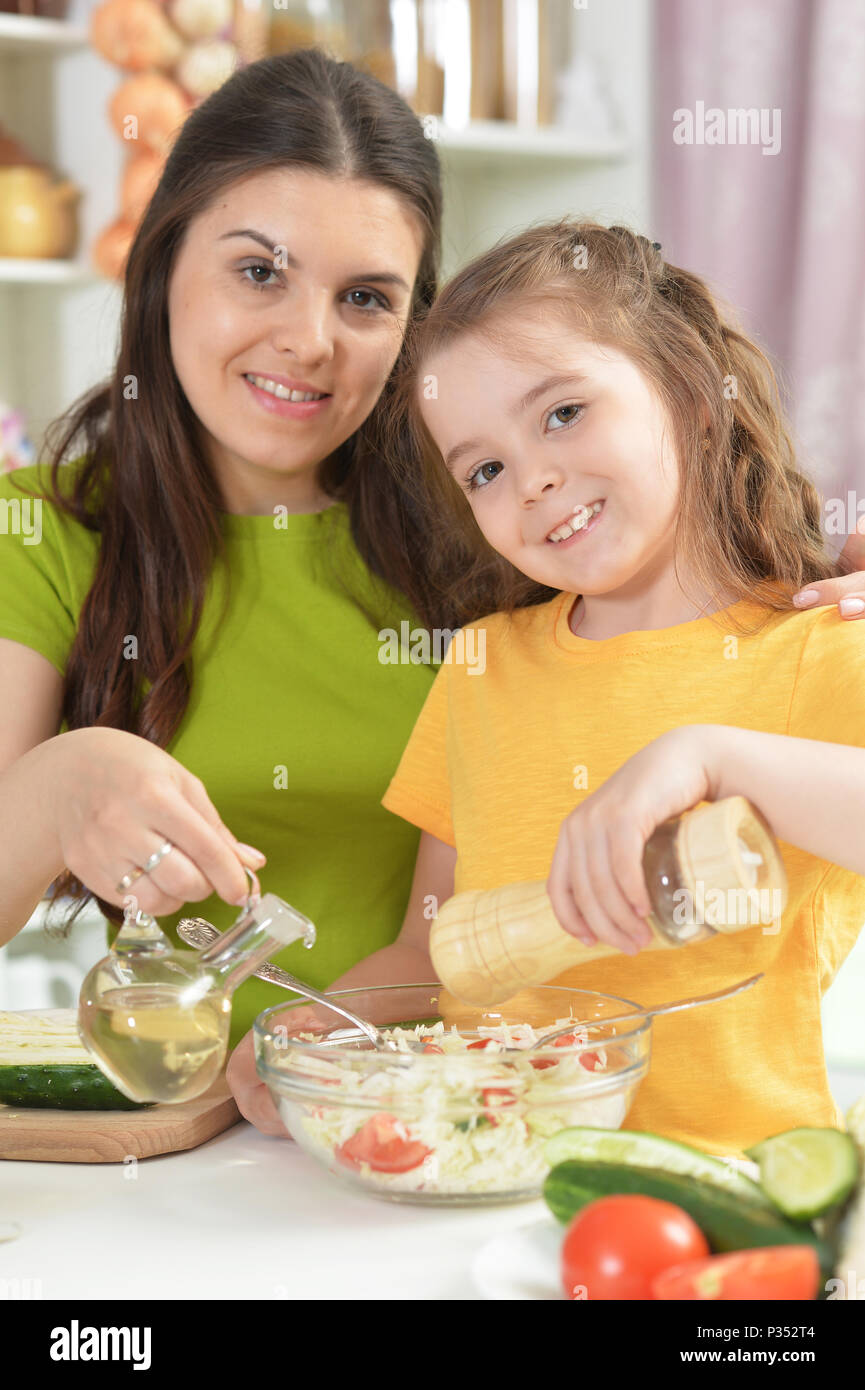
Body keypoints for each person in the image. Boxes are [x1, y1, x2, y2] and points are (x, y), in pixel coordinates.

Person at [0, 52, 862, 1135]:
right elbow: (432, 946)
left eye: (365, 297)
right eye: (258, 270)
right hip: (343, 1140)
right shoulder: (47, 530)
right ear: (162, 262)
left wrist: (751, 685)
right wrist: (59, 783)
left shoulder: (491, 557)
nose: (309, 341)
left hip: (608, 1172)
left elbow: (674, 602)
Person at [239, 220, 865, 1156]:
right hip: (484, 1173)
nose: (530, 480)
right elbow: (432, 947)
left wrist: (711, 755)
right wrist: (331, 1029)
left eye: (562, 412)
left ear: (692, 392)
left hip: (723, 1198)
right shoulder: (483, 665)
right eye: (483, 469)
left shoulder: (818, 650)